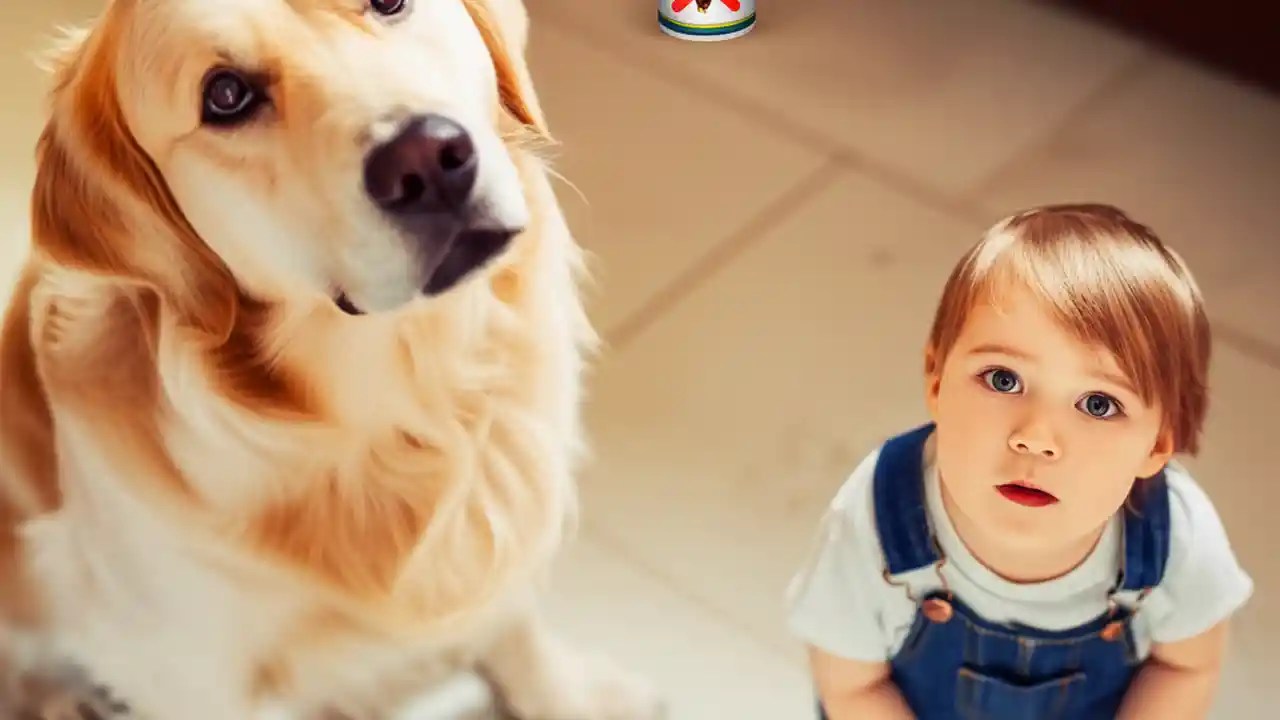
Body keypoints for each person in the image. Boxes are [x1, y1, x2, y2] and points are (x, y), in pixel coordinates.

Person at [785, 204, 1253, 719]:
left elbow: (1187, 667)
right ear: (937, 379)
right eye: (1004, 379)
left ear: (1157, 446)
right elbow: (851, 686)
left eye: (1098, 404)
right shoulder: (878, 520)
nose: (1036, 438)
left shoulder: (1174, 542)